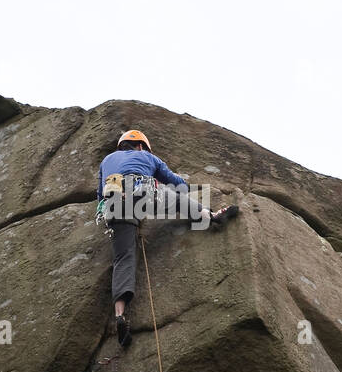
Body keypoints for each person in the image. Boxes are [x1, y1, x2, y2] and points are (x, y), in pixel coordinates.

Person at [97, 129, 239, 348]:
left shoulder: (107, 160)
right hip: (141, 192)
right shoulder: (148, 157)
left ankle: (120, 314)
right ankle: (211, 216)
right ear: (140, 146)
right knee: (175, 198)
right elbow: (177, 183)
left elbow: (99, 194)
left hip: (113, 204)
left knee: (123, 259)